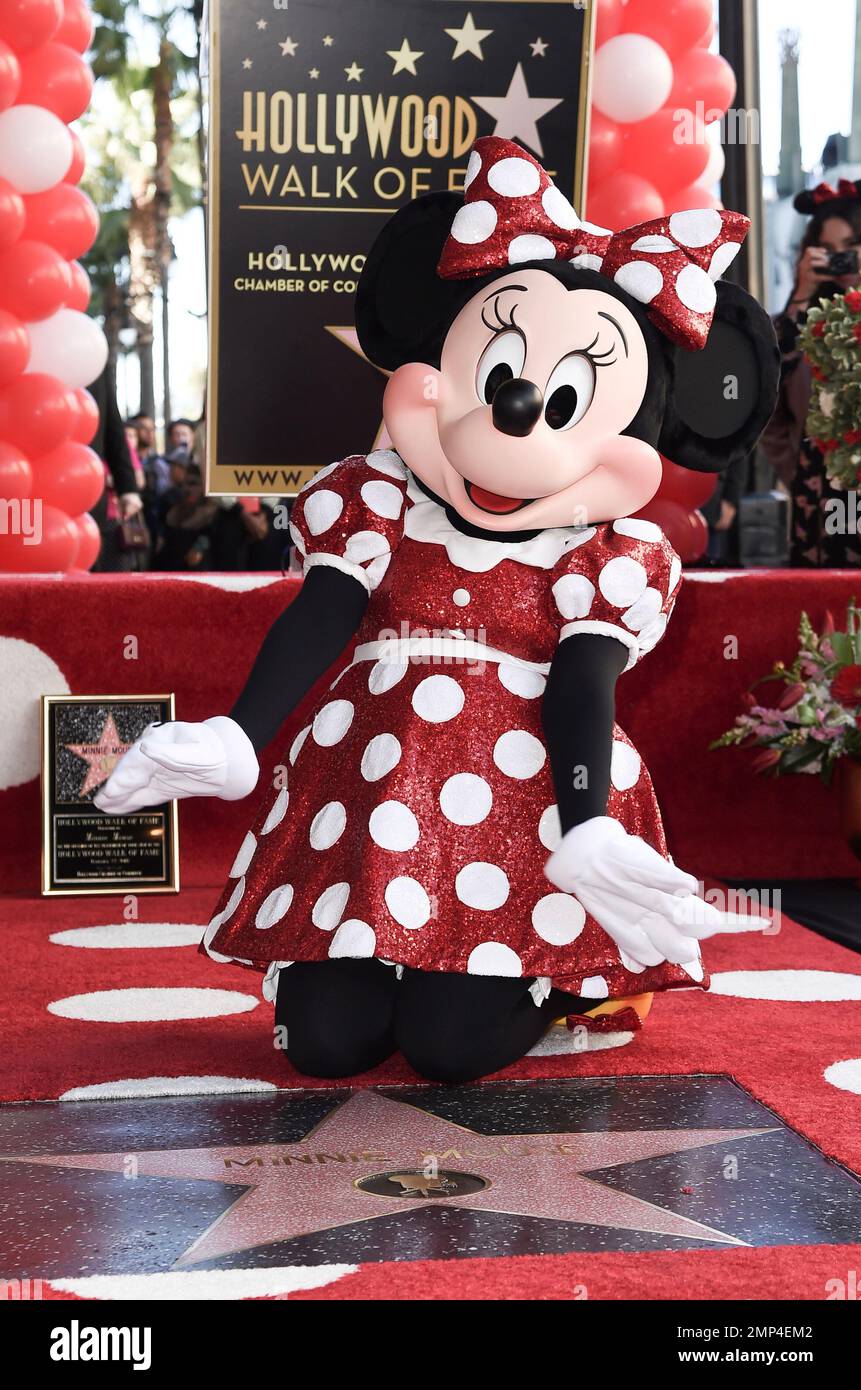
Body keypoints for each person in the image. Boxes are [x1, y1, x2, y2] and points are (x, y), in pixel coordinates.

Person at [96, 138, 779, 1084]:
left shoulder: (603, 553)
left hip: (527, 805)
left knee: (448, 1050)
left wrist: (584, 825)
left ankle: (562, 983)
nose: (514, 421)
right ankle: (382, 959)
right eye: (498, 381)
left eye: (567, 401)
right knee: (325, 1050)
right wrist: (239, 736)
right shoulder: (378, 501)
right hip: (372, 785)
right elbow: (323, 613)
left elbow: (584, 680)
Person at [761, 179, 861, 566]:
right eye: (830, 251)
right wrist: (803, 291)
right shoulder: (803, 323)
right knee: (827, 608)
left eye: (852, 246)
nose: (843, 260)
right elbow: (771, 396)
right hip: (820, 495)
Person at [88, 367, 144, 573]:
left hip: (86, 493)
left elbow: (113, 429)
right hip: (24, 495)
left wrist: (127, 487)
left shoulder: (91, 356)